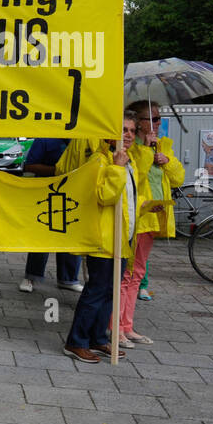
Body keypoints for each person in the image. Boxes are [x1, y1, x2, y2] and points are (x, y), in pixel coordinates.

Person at [59, 110, 137, 365]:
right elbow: (104, 196)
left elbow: (130, 200)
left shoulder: (129, 161)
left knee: (110, 292)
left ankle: (96, 337)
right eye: (123, 130)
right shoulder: (101, 161)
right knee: (96, 291)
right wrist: (117, 168)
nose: (128, 135)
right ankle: (76, 341)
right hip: (104, 239)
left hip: (122, 239)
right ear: (109, 134)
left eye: (132, 131)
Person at [119, 101, 184, 344]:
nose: (157, 123)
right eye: (151, 119)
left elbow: (178, 179)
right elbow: (138, 176)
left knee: (138, 273)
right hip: (137, 218)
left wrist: (167, 160)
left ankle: (128, 325)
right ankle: (115, 326)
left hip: (156, 217)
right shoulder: (131, 146)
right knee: (126, 274)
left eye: (158, 118)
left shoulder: (164, 144)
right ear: (138, 122)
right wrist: (146, 150)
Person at [18, 137, 83, 293]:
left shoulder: (85, 139)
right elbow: (29, 165)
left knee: (71, 236)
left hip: (75, 195)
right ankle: (31, 276)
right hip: (46, 194)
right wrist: (59, 171)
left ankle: (68, 278)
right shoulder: (45, 138)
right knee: (42, 238)